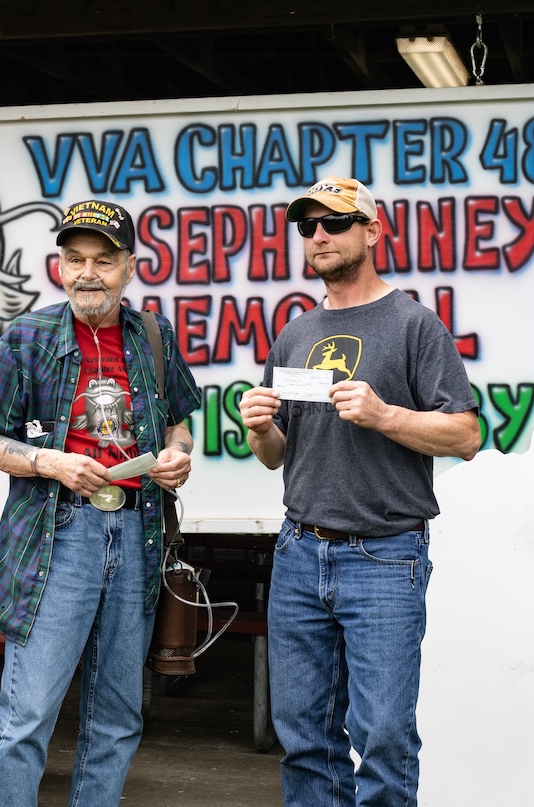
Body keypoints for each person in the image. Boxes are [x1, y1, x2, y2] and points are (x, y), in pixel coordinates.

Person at [239, 177, 481, 807]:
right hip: (299, 553)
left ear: (372, 232)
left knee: (384, 738)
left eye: (335, 222)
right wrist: (260, 429)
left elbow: (466, 434)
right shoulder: (295, 333)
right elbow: (276, 457)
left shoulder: (414, 325)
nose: (319, 235)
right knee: (304, 739)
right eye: (308, 226)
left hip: (385, 556)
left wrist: (385, 415)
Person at [0, 198, 201, 807]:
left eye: (103, 260)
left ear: (129, 267)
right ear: (60, 266)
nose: (88, 273)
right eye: (75, 259)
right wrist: (52, 462)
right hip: (57, 535)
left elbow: (178, 422)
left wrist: (178, 454)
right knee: (26, 718)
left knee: (118, 718)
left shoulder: (154, 334)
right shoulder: (26, 339)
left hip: (136, 533)